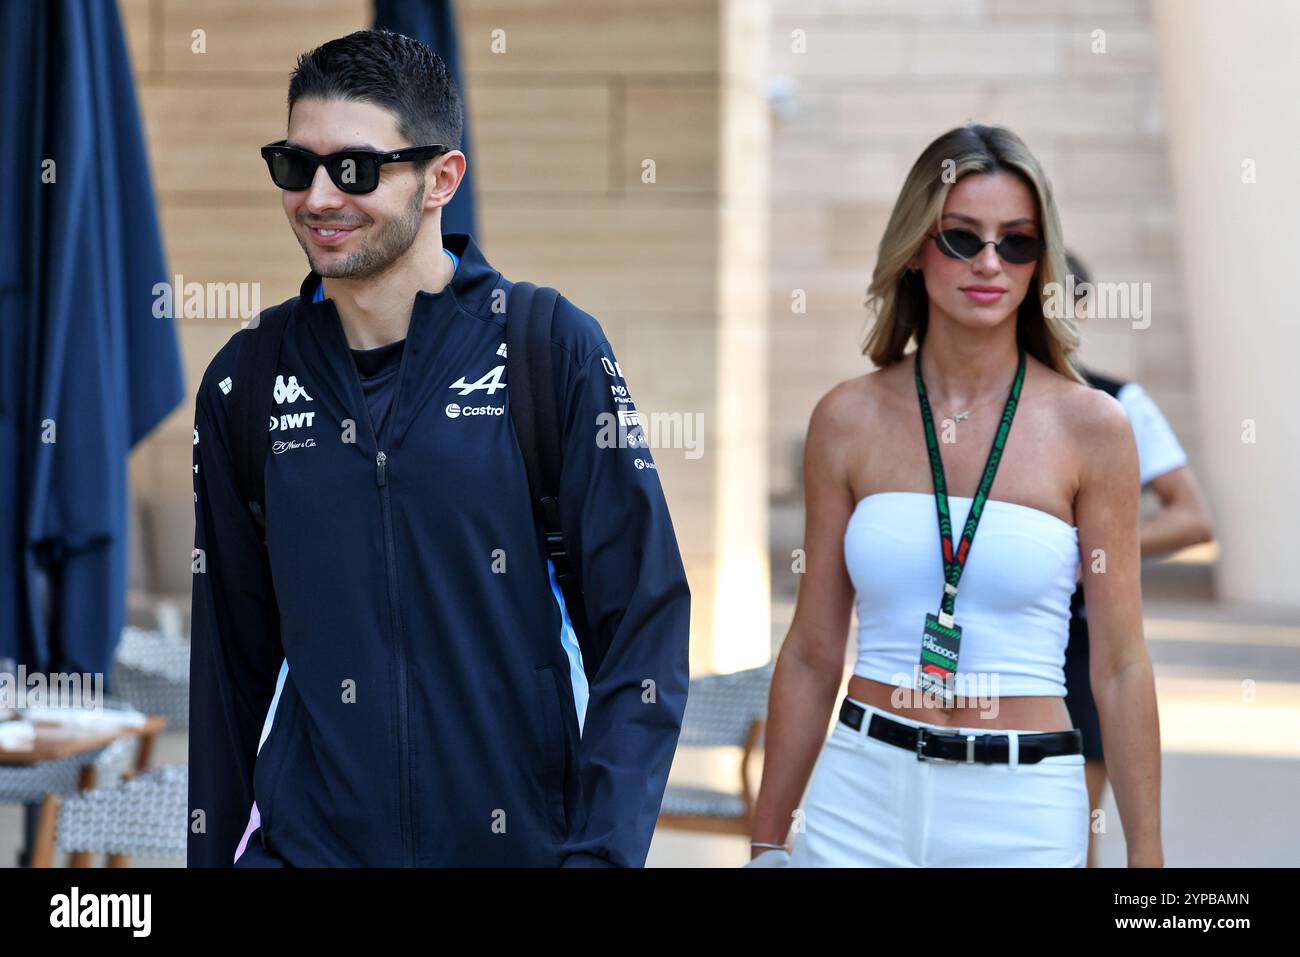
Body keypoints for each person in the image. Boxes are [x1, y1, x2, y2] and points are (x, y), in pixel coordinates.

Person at [187, 29, 690, 867]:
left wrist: (601, 855)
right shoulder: (246, 380)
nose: (318, 197)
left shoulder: (545, 347)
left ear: (441, 178)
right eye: (294, 165)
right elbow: (228, 672)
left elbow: (643, 628)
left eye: (354, 169)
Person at [749, 124, 1162, 867]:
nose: (991, 263)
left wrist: (1148, 863)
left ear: (1043, 261)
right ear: (915, 247)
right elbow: (813, 651)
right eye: (962, 237)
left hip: (1023, 805)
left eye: (1018, 241)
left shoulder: (1092, 427)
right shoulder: (847, 417)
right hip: (859, 794)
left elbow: (1121, 662)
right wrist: (766, 841)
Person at [1064, 250, 1212, 867]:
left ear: (1081, 308)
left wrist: (1091, 547)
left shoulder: (1116, 401)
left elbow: (1192, 516)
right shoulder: (969, 405)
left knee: (1074, 832)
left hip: (1079, 637)